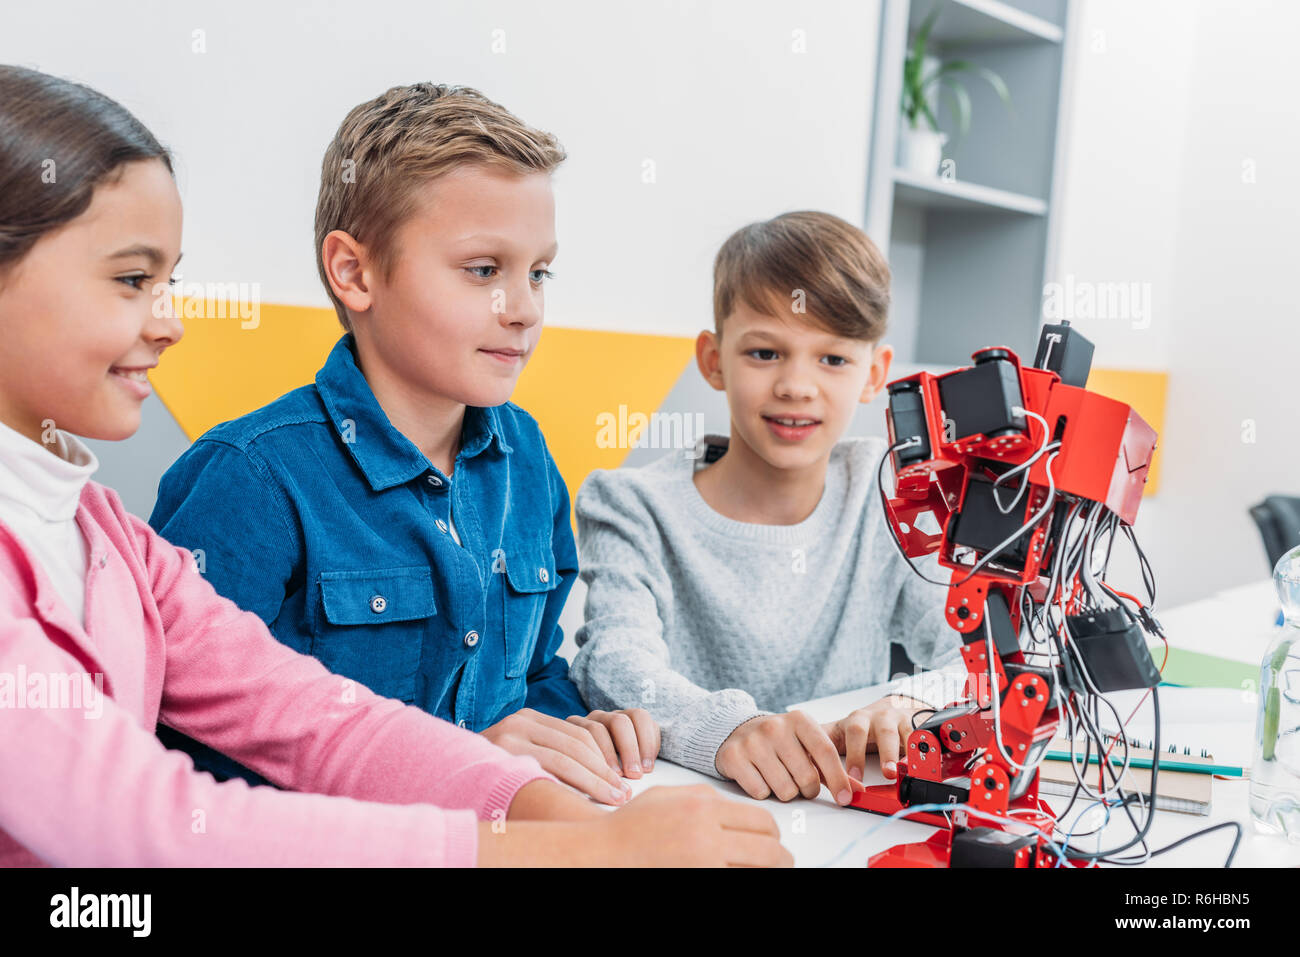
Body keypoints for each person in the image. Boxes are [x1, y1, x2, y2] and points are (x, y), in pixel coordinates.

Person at [0, 64, 790, 868]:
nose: (170, 322)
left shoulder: (107, 534)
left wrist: (577, 818)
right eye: (134, 279)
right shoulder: (248, 474)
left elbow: (327, 720)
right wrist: (577, 853)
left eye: (170, 279)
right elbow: (161, 819)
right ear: (354, 271)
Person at [149, 82, 657, 805]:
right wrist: (456, 767)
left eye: (539, 272)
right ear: (354, 272)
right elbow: (177, 759)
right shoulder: (251, 478)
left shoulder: (527, 457)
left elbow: (536, 673)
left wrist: (576, 731)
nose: (524, 310)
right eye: (484, 270)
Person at [571, 211, 965, 806]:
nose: (796, 386)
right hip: (687, 815)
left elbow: (971, 653)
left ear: (874, 374)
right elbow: (615, 663)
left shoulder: (885, 492)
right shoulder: (631, 505)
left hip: (842, 812)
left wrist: (915, 701)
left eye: (832, 359)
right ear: (713, 359)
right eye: (764, 352)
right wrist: (731, 729)